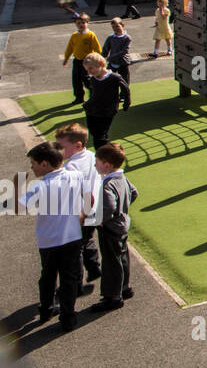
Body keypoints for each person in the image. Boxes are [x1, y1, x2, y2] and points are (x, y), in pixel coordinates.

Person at [14, 141, 85, 330]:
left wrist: (16, 186)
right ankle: (68, 317)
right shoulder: (76, 176)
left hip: (48, 241)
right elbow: (89, 198)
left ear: (44, 164)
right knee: (69, 278)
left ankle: (46, 309)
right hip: (72, 237)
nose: (32, 167)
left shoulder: (39, 187)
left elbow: (18, 208)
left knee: (48, 276)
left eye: (34, 163)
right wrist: (83, 215)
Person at [89, 141, 137, 312]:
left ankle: (112, 296)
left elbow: (108, 207)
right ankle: (125, 287)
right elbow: (134, 192)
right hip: (122, 225)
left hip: (110, 228)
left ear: (106, 165)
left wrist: (100, 220)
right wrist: (123, 209)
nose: (95, 165)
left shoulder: (107, 184)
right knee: (122, 257)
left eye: (97, 162)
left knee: (110, 262)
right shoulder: (122, 178)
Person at [53, 122, 99, 296]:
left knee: (75, 251)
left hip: (79, 214)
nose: (57, 151)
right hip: (94, 211)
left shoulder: (70, 167)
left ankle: (76, 284)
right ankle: (94, 266)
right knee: (87, 239)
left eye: (60, 147)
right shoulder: (92, 156)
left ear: (77, 145)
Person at [82, 53, 130, 148]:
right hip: (92, 109)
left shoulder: (114, 77)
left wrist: (126, 102)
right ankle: (106, 151)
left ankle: (102, 154)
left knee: (100, 135)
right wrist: (88, 105)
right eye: (87, 70)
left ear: (100, 63)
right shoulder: (93, 79)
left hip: (107, 110)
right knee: (93, 131)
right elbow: (93, 93)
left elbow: (126, 89)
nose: (89, 72)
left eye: (91, 68)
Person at [63, 14, 101, 105]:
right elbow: (70, 48)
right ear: (75, 24)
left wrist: (97, 60)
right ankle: (79, 97)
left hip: (87, 62)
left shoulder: (90, 35)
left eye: (83, 23)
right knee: (76, 80)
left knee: (87, 80)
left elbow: (97, 49)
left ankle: (93, 96)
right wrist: (66, 58)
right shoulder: (74, 35)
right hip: (77, 61)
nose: (81, 25)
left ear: (87, 23)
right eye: (78, 23)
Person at [102, 17, 132, 86]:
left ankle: (124, 95)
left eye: (117, 26)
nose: (115, 29)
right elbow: (105, 49)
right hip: (112, 63)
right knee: (108, 81)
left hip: (123, 63)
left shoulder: (127, 38)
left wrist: (111, 57)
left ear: (123, 25)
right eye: (113, 27)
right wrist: (101, 58)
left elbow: (124, 51)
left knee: (125, 82)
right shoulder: (110, 38)